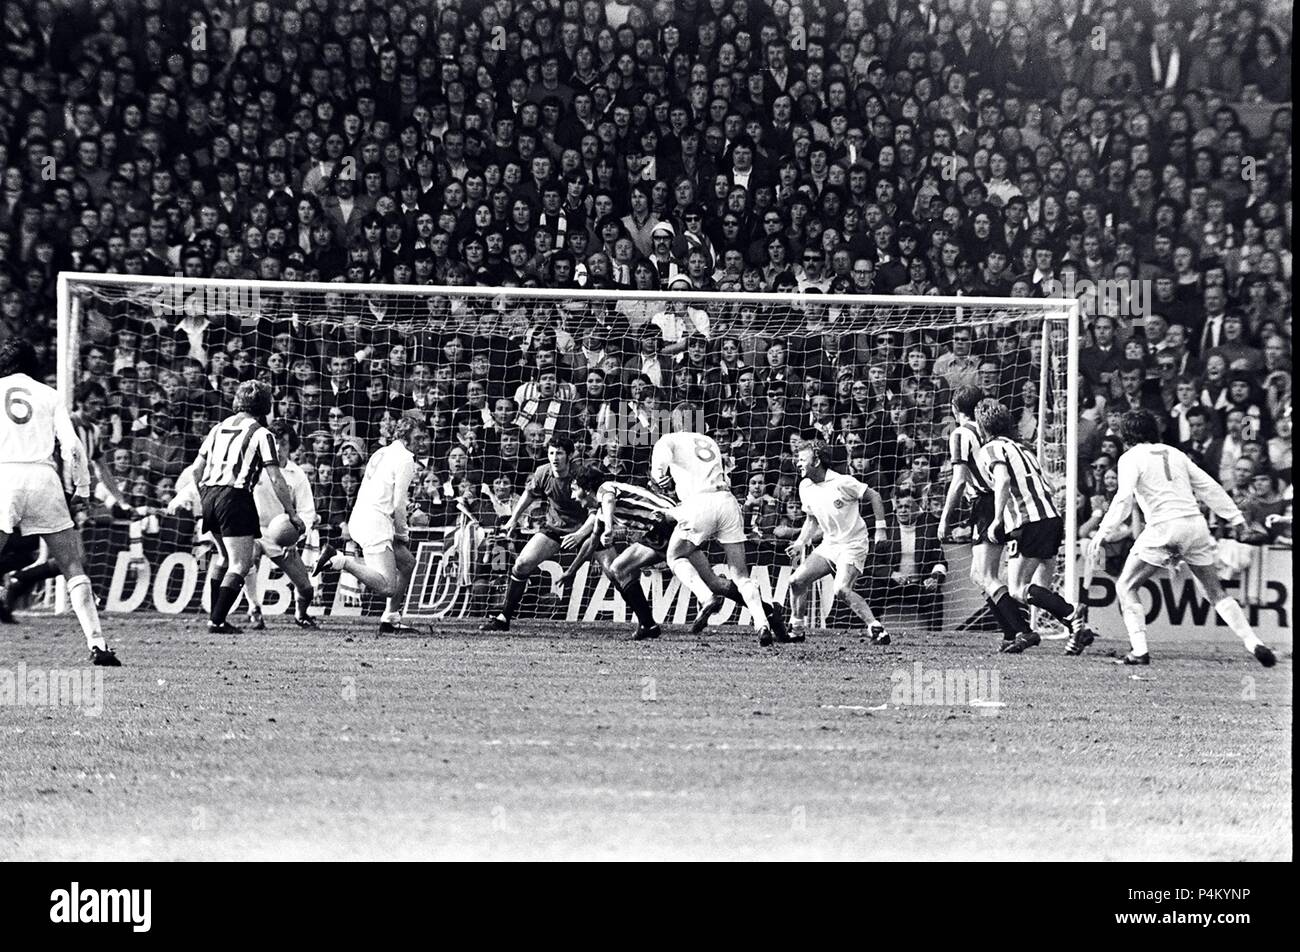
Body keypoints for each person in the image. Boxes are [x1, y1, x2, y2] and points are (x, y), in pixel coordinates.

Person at [1087, 410, 1276, 667]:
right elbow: (1209, 487)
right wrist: (1237, 520)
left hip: (1164, 526)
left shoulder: (1130, 457)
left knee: (1126, 586)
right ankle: (1254, 642)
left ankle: (1139, 651)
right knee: (1215, 592)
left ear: (1127, 435)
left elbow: (1123, 498)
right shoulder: (1175, 453)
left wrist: (1103, 532)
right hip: (1194, 525)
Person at [0, 339, 118, 665]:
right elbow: (74, 448)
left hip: (4, 476)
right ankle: (99, 645)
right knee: (73, 565)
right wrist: (82, 488)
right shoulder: (49, 395)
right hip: (43, 478)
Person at [975, 399, 1098, 655]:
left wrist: (998, 519)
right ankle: (1075, 627)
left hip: (1028, 522)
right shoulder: (1024, 450)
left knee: (1018, 588)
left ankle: (1072, 613)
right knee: (1040, 587)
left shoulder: (991, 449)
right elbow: (1049, 486)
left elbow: (1004, 479)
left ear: (982, 426)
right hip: (1052, 519)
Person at [0, 379, 130, 622]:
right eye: (93, 403)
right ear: (80, 403)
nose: (97, 408)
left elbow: (101, 468)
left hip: (64, 500)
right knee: (67, 558)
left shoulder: (93, 431)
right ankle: (17, 583)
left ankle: (17, 583)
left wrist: (120, 500)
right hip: (46, 494)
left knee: (56, 556)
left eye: (101, 404)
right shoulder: (62, 422)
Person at [180, 380, 304, 634]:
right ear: (266, 406)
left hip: (209, 495)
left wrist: (204, 494)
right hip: (235, 496)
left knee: (224, 557)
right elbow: (276, 477)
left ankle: (216, 615)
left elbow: (195, 470)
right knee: (241, 563)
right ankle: (217, 620)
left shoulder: (217, 428)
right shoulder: (261, 433)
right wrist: (291, 512)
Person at [650, 420, 782, 646]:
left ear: (676, 421)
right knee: (740, 574)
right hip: (727, 502)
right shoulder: (709, 441)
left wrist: (658, 473)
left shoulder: (669, 439)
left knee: (675, 556)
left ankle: (706, 597)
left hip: (699, 504)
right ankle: (762, 624)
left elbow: (662, 454)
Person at [936, 385, 1028, 647]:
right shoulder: (990, 430)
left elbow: (958, 480)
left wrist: (945, 518)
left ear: (954, 408)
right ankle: (1011, 632)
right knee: (980, 574)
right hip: (998, 502)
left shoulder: (961, 433)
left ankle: (1022, 629)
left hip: (986, 504)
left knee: (985, 575)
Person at [313, 416, 421, 636]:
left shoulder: (381, 452)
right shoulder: (406, 458)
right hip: (376, 523)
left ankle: (390, 619)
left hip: (361, 517)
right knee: (387, 586)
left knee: (408, 563)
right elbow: (399, 503)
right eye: (418, 437)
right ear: (406, 437)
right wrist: (403, 533)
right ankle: (340, 560)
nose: (422, 442)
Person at [784, 439, 890, 644]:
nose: (797, 463)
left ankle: (876, 628)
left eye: (802, 459)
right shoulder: (805, 486)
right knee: (796, 581)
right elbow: (811, 518)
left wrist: (881, 530)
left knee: (841, 589)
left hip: (853, 544)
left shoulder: (842, 482)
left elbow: (875, 496)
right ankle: (796, 629)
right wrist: (800, 542)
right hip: (830, 544)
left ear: (816, 461)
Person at [479, 435, 588, 631]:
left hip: (586, 529)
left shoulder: (582, 475)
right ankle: (504, 618)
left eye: (560, 453)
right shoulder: (542, 472)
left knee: (616, 570)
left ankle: (646, 622)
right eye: (551, 453)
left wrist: (582, 534)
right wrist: (513, 518)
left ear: (570, 456)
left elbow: (597, 509)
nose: (555, 458)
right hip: (555, 528)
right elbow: (529, 494)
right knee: (522, 564)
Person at [243, 421, 320, 630]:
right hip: (254, 529)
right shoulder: (254, 468)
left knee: (306, 588)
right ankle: (254, 608)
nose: (277, 447)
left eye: (283, 443)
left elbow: (307, 512)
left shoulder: (298, 475)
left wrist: (295, 538)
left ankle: (301, 614)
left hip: (283, 535)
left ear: (291, 445)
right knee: (248, 560)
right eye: (274, 442)